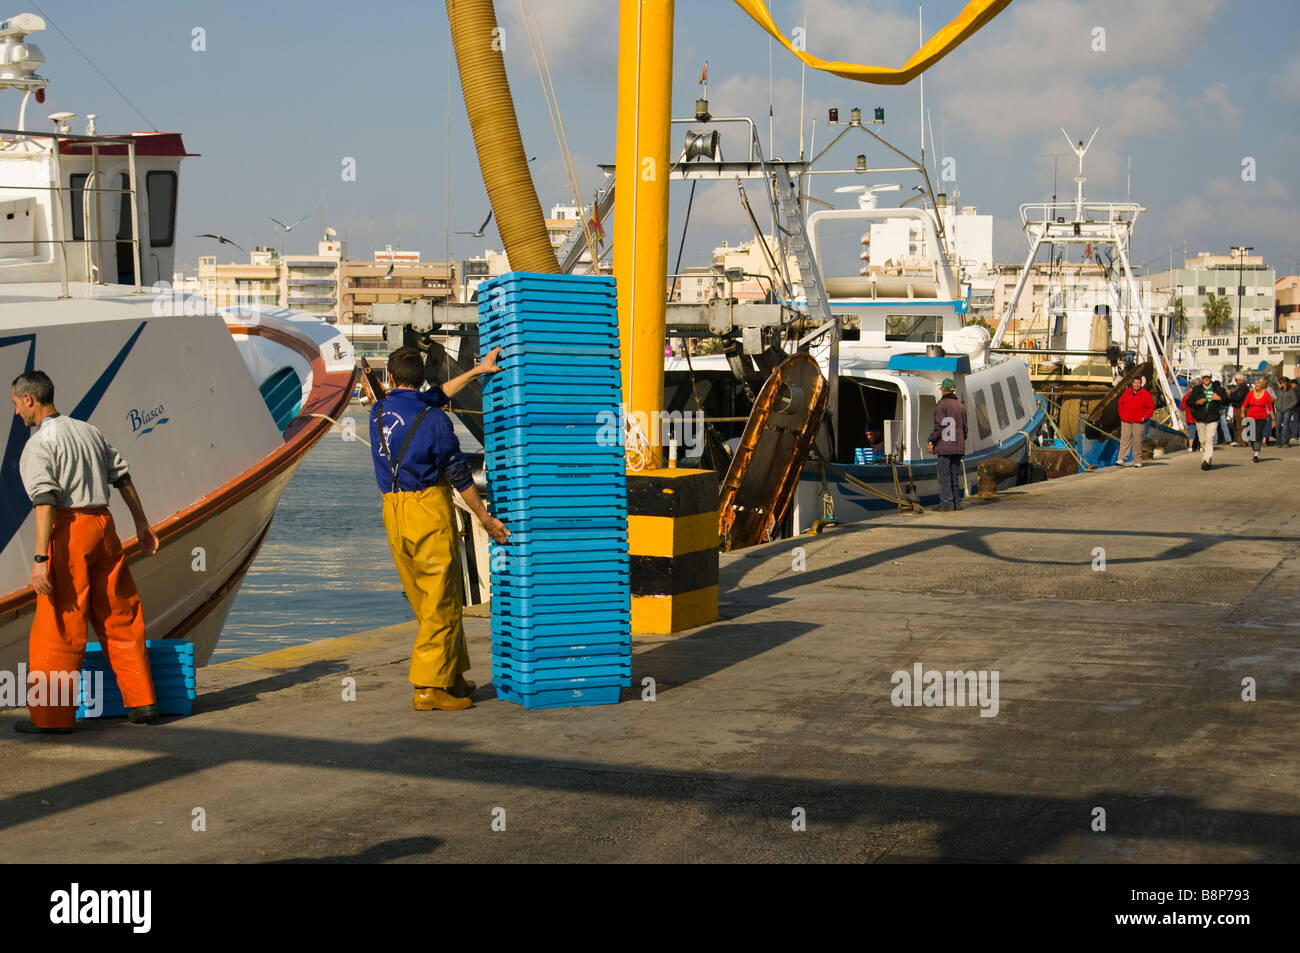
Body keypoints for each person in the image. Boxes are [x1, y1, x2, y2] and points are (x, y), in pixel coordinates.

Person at [12, 371, 160, 734]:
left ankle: (52, 719)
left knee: (59, 624)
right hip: (104, 525)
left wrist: (40, 559)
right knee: (119, 612)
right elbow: (122, 476)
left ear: (30, 399)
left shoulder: (38, 445)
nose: (17, 413)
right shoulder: (89, 431)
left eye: (16, 404)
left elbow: (45, 500)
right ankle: (142, 703)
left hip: (69, 530)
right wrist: (142, 523)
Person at [371, 346, 509, 712]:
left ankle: (451, 675)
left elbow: (434, 395)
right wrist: (484, 517)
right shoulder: (435, 421)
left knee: (426, 602)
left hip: (393, 512)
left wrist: (477, 370)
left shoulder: (378, 411)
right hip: (427, 510)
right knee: (443, 603)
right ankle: (428, 688)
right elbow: (459, 474)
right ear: (421, 380)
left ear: (389, 378)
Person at [926, 378, 968, 511]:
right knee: (954, 476)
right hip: (958, 446)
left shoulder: (941, 405)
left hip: (945, 446)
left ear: (943, 389)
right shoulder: (961, 405)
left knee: (944, 477)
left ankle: (947, 504)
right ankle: (956, 503)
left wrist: (931, 441)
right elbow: (965, 429)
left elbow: (939, 427)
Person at [1188, 369, 1229, 470]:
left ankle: (1205, 461)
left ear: (1211, 378)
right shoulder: (1197, 389)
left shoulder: (1218, 389)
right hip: (1200, 418)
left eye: (1208, 377)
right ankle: (1207, 458)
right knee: (1202, 441)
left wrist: (1219, 398)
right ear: (1202, 379)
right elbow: (1189, 402)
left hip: (1213, 417)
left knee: (1209, 439)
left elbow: (1227, 401)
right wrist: (1197, 402)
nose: (1206, 379)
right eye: (1204, 377)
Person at [1116, 377, 1155, 467]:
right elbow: (1121, 403)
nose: (1137, 385)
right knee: (1124, 439)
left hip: (1138, 421)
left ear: (1141, 384)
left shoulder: (1145, 394)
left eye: (1138, 383)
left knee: (1137, 441)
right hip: (1126, 420)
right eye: (1135, 383)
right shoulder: (1127, 392)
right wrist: (1122, 414)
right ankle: (1122, 458)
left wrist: (1145, 417)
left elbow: (1151, 407)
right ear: (1132, 383)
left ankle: (1137, 460)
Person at [1241, 376, 1276, 464]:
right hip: (1250, 416)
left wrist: (1273, 419)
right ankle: (1254, 445)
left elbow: (1270, 407)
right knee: (1250, 435)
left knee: (1258, 434)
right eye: (1255, 384)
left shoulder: (1266, 394)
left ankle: (1256, 454)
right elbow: (1244, 404)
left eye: (1258, 384)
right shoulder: (1251, 393)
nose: (1255, 385)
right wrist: (1242, 412)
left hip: (1262, 417)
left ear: (1262, 385)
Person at [1228, 373, 1249, 446]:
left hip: (1241, 408)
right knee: (1240, 425)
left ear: (1241, 379)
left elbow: (1238, 397)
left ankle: (1242, 442)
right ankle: (1241, 441)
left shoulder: (1243, 387)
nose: (1236, 382)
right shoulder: (1241, 387)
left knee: (1241, 426)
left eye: (1236, 380)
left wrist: (1231, 394)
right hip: (1239, 407)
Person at [1276, 377, 1297, 449]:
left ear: (1285, 383)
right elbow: (1277, 399)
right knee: (1278, 426)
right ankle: (1279, 442)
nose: (1280, 384)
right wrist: (1277, 405)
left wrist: (1288, 407)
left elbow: (1294, 401)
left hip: (1287, 410)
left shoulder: (1291, 391)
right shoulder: (1279, 391)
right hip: (1279, 410)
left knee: (1285, 426)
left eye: (1281, 382)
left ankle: (1285, 442)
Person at [1178, 387, 1199, 453]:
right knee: (1199, 432)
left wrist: (1187, 407)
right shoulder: (1198, 396)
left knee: (1191, 432)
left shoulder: (1186, 396)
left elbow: (1182, 407)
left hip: (1189, 417)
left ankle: (1191, 447)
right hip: (1199, 417)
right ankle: (1200, 446)